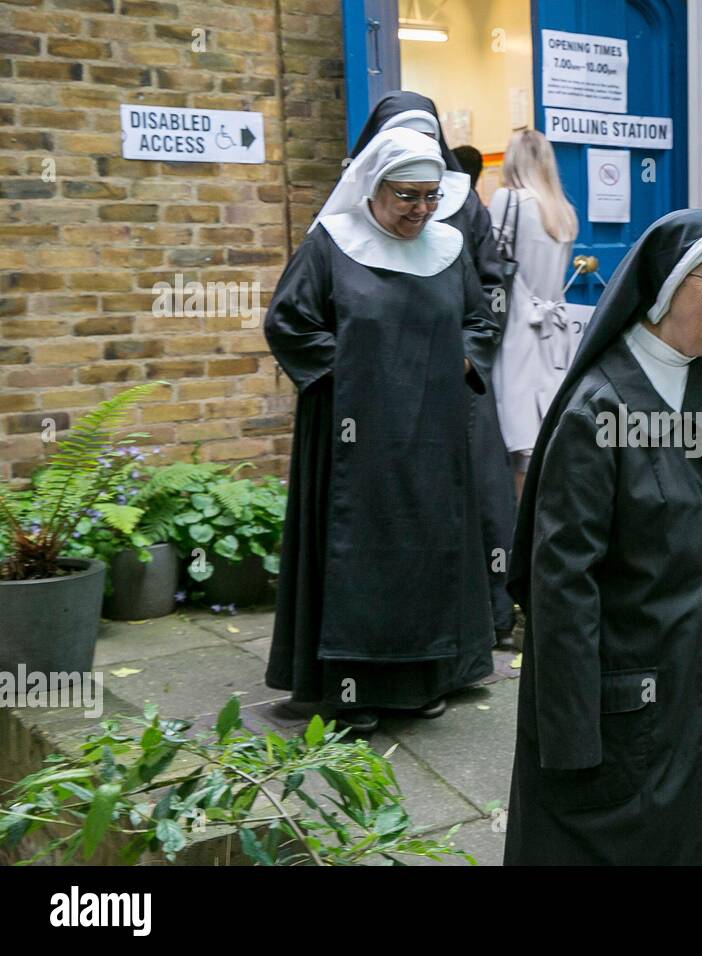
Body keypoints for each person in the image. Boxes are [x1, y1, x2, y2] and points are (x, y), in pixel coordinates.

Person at [504, 210, 702, 865]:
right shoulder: (603, 407)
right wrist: (568, 731)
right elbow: (561, 579)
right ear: (668, 285)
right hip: (631, 693)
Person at [263, 128, 500, 734]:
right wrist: (357, 372)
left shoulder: (448, 246)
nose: (420, 210)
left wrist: (467, 358)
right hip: (354, 433)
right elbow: (290, 322)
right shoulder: (330, 245)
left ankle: (423, 681)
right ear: (374, 188)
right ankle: (352, 691)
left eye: (429, 196)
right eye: (406, 197)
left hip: (431, 431)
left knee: (428, 548)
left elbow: (479, 319)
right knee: (361, 552)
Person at [346, 92, 518, 646]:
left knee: (478, 496)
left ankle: (489, 617)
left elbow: (491, 287)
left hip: (454, 385)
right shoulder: (352, 207)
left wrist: (470, 354)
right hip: (383, 391)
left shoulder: (464, 204)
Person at [488, 129, 578, 498]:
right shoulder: (563, 211)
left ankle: (516, 534)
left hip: (516, 329)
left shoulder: (508, 201)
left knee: (516, 437)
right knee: (546, 432)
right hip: (554, 331)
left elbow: (489, 263)